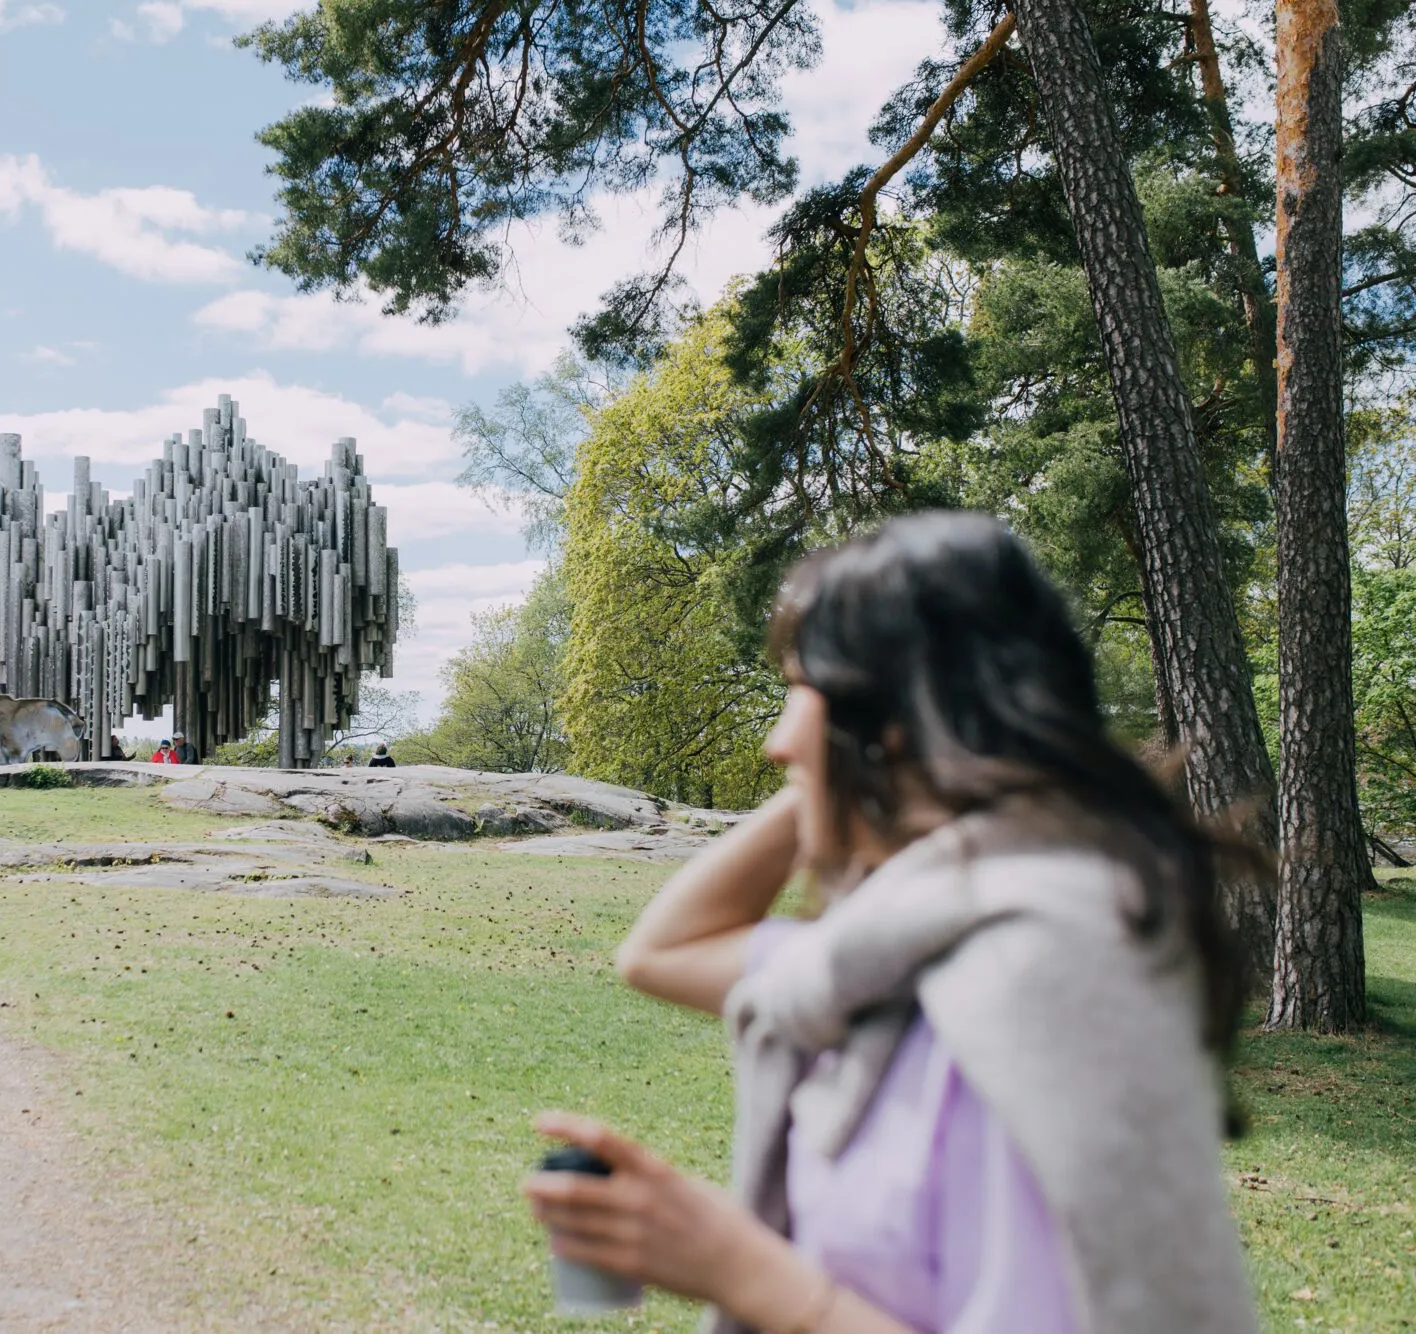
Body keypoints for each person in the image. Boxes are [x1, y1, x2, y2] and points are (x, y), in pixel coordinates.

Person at [523, 512, 1259, 1334]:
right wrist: (832, 769)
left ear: (897, 717)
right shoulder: (903, 952)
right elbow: (661, 951)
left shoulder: (1042, 979)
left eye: (802, 693)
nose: (775, 741)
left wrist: (736, 1267)